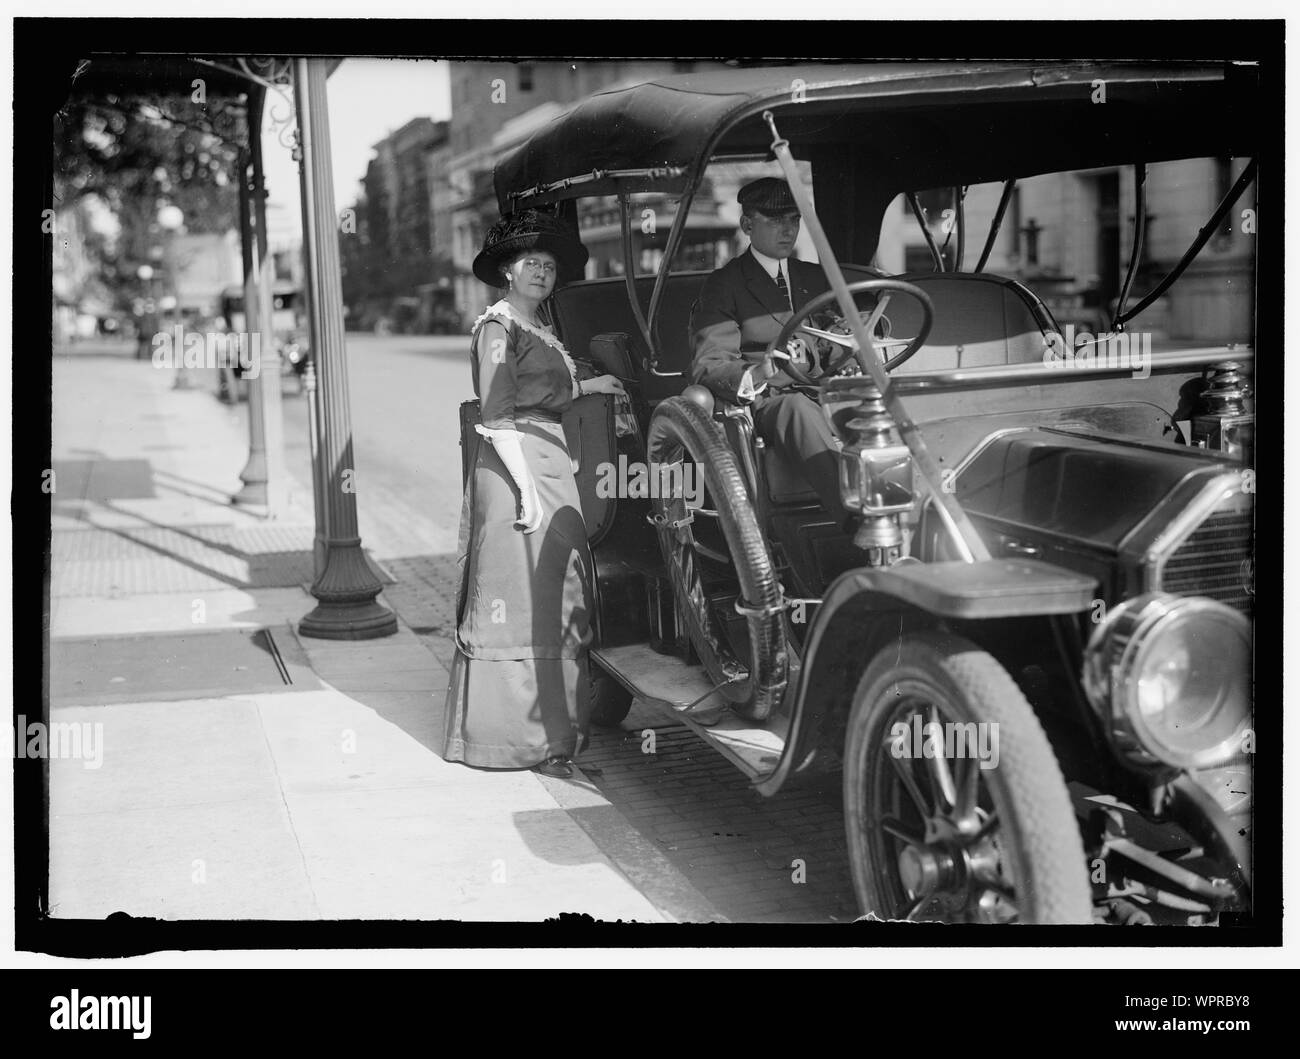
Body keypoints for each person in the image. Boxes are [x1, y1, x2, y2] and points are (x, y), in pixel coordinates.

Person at [441, 210, 625, 779]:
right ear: (508, 271)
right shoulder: (497, 329)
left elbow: (554, 390)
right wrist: (525, 491)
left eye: (548, 265)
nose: (542, 272)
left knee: (557, 592)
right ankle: (518, 743)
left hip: (547, 457)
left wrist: (593, 384)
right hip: (515, 464)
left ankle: (556, 741)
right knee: (523, 600)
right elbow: (496, 416)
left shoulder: (537, 327)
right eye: (532, 264)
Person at [689, 177, 847, 525]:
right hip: (772, 401)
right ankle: (857, 520)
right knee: (797, 410)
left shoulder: (816, 277)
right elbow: (710, 363)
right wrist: (758, 373)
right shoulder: (724, 284)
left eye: (793, 220)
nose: (787, 230)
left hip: (827, 390)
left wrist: (849, 343)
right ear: (747, 225)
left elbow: (835, 335)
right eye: (775, 221)